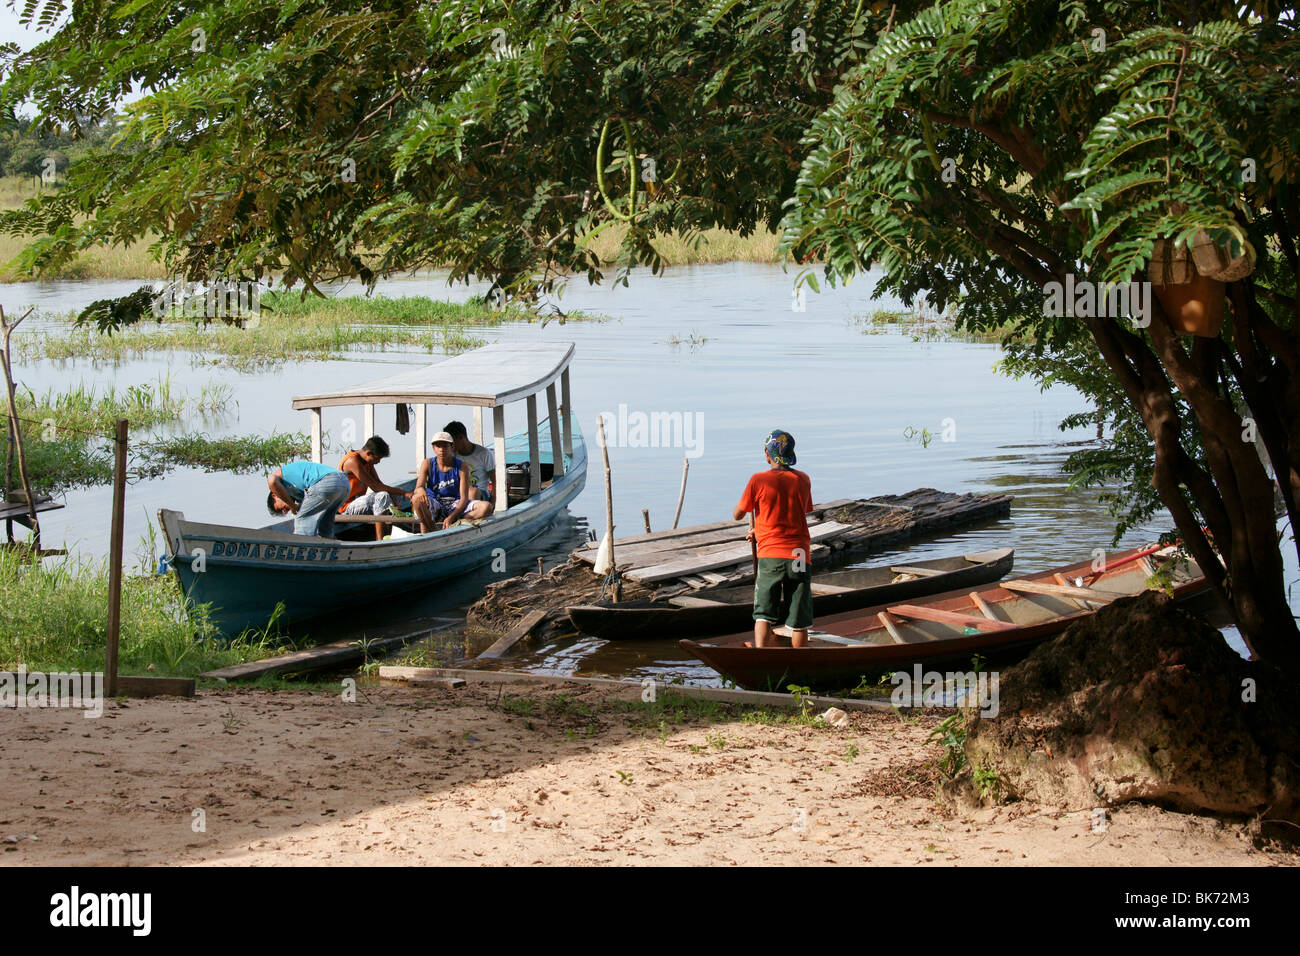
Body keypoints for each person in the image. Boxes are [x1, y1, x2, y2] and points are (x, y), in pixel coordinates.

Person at [733, 429, 814, 648]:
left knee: (763, 614)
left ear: (767, 454)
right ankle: (801, 663)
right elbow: (798, 512)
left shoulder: (758, 480)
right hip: (799, 554)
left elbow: (738, 514)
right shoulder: (803, 479)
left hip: (771, 554)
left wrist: (758, 527)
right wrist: (758, 529)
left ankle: (762, 656)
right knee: (798, 618)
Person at [410, 431, 493, 533]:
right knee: (416, 499)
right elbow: (418, 487)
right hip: (437, 503)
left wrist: (452, 517)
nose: (441, 450)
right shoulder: (428, 463)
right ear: (433, 448)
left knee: (486, 507)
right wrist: (420, 490)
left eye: (445, 446)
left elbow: (464, 498)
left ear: (451, 447)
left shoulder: (462, 466)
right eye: (438, 446)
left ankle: (459, 522)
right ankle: (431, 529)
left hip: (455, 504)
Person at [338, 436, 411, 540]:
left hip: (358, 503)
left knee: (389, 495)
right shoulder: (352, 461)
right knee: (382, 496)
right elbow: (375, 487)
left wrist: (394, 500)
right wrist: (404, 493)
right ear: (368, 453)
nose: (378, 462)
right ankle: (379, 539)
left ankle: (389, 531)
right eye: (378, 458)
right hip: (345, 507)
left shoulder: (367, 462)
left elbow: (378, 482)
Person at [267, 460, 351, 537]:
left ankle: (300, 547)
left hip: (326, 481)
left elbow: (272, 481)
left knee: (302, 520)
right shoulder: (295, 491)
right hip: (344, 483)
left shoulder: (280, 477)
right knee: (324, 526)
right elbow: (311, 502)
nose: (284, 511)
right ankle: (332, 547)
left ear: (274, 495)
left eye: (280, 509)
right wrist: (296, 506)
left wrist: (292, 506)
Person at [443, 420, 496, 514]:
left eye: (451, 442)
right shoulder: (452, 455)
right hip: (458, 493)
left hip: (479, 494)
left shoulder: (483, 454)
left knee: (472, 491)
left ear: (461, 437)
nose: (449, 446)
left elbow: (495, 482)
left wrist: (492, 505)